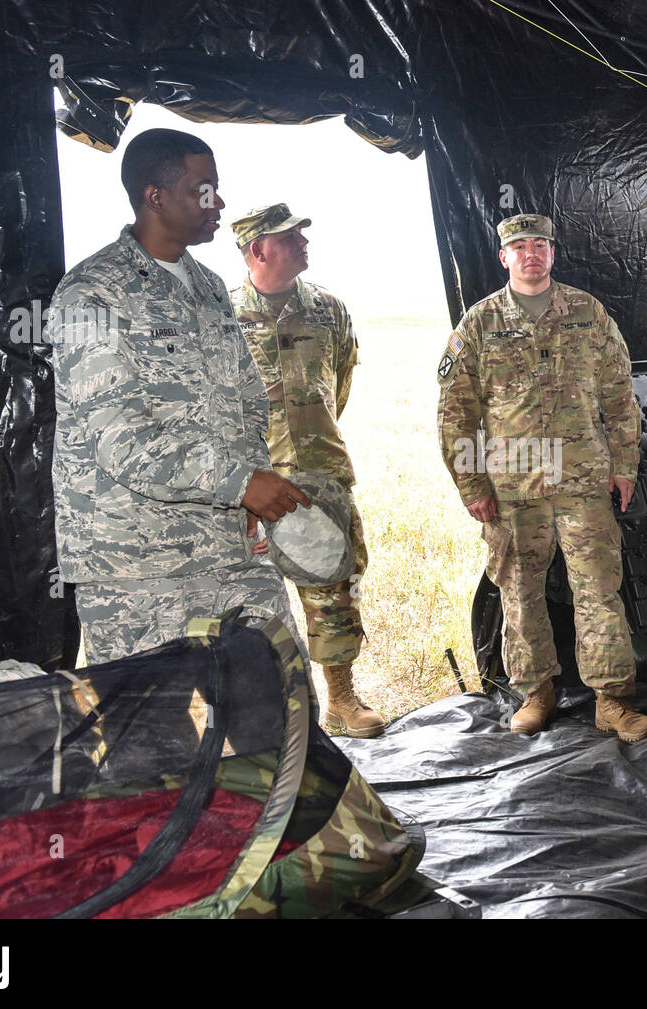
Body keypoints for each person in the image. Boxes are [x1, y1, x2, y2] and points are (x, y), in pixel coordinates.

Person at [51, 128, 309, 665]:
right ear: (157, 197)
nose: (219, 203)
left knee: (278, 714)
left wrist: (251, 486)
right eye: (204, 189)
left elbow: (247, 400)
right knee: (150, 736)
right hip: (137, 568)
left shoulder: (209, 286)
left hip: (228, 548)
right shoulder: (91, 293)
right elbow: (120, 441)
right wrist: (240, 483)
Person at [437, 213, 647, 741]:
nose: (531, 253)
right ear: (504, 257)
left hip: (583, 485)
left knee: (600, 592)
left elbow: (621, 400)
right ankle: (535, 694)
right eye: (519, 245)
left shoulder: (588, 313)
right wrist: (472, 486)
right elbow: (455, 412)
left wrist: (625, 467)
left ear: (553, 254)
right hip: (513, 492)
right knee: (519, 593)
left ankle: (613, 701)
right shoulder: (480, 324)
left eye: (540, 244)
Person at [228, 204, 384, 738]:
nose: (301, 242)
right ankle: (270, 721)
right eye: (288, 236)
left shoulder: (328, 311)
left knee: (333, 587)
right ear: (257, 250)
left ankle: (341, 701)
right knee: (251, 602)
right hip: (251, 484)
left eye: (300, 234)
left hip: (319, 476)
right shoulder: (222, 317)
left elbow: (337, 387)